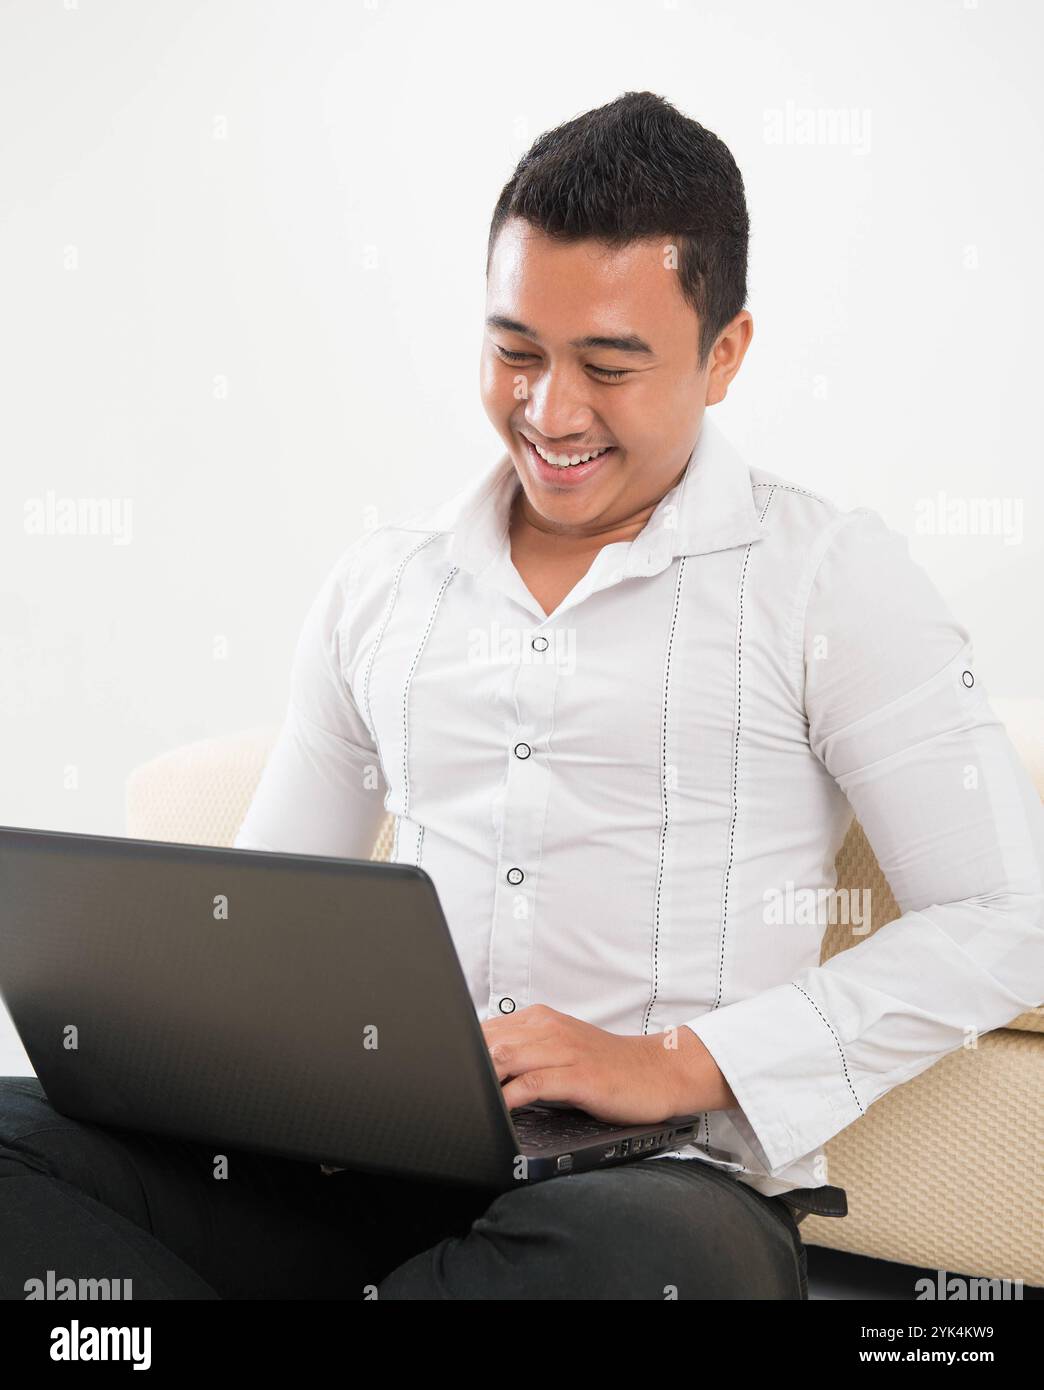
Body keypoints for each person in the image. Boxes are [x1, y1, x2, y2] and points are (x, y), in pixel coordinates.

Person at [2, 91, 1041, 1301]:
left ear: (725, 354)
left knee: (662, 1266)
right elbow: (265, 907)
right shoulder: (384, 586)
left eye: (609, 365)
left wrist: (677, 1058)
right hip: (360, 1165)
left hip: (649, 1197)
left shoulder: (826, 579)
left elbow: (1005, 916)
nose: (549, 413)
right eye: (515, 353)